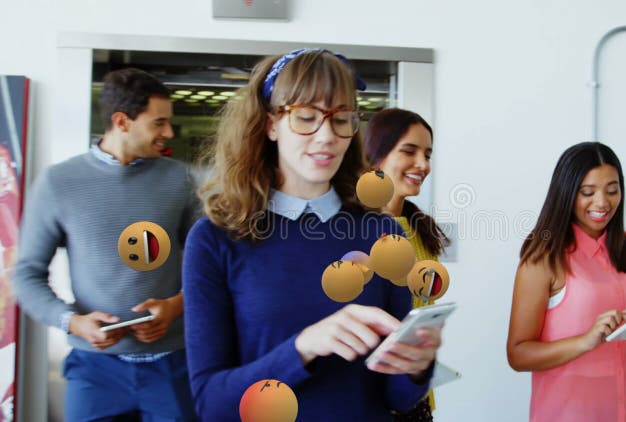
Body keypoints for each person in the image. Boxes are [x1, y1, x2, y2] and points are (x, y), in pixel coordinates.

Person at [182, 49, 441, 421]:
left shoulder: (382, 231)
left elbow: (396, 398)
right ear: (271, 124)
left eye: (342, 120)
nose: (327, 137)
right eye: (306, 118)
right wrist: (303, 347)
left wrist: (417, 365)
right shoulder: (216, 239)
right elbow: (212, 403)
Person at [13, 68, 200, 421]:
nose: (169, 133)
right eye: (158, 123)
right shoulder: (59, 183)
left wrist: (177, 306)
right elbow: (25, 274)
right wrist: (72, 321)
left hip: (174, 365)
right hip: (94, 372)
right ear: (122, 121)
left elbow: (214, 264)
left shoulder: (179, 179)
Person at [506, 142, 626, 421]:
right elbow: (518, 355)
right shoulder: (543, 257)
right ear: (566, 193)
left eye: (612, 190)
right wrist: (586, 341)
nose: (602, 202)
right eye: (588, 192)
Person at [364, 108, 450, 421]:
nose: (423, 165)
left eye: (427, 154)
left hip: (416, 397)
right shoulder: (351, 231)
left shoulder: (422, 229)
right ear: (376, 156)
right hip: (370, 400)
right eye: (409, 152)